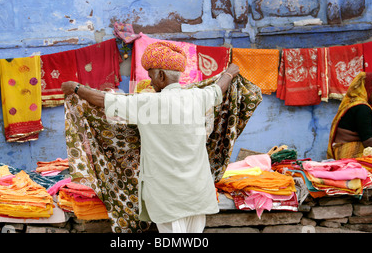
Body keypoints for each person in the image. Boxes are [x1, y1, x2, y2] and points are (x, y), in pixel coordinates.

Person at [62, 41, 240, 233]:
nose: (151, 82)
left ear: (161, 75)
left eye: (151, 76)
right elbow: (219, 88)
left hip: (167, 195)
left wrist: (75, 88)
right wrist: (230, 72)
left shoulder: (146, 103)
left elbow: (102, 100)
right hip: (197, 191)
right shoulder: (197, 97)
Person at [327, 72, 372, 160]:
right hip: (349, 154)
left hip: (341, 151)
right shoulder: (362, 108)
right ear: (369, 89)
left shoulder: (352, 104)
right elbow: (368, 141)